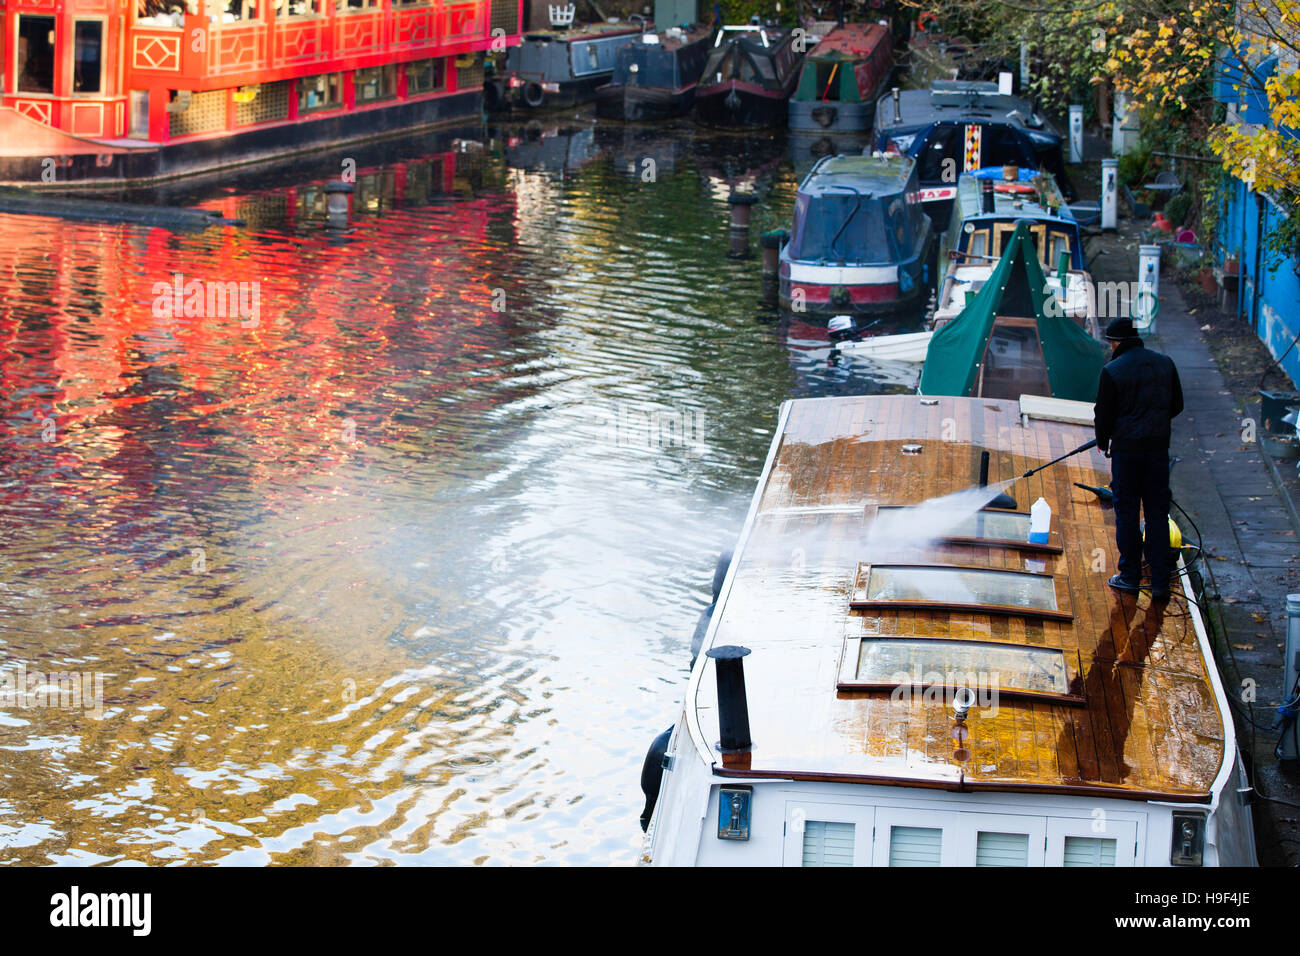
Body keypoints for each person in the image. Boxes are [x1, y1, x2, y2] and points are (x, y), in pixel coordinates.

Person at [1094, 317, 1184, 600]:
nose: (1109, 348)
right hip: (1157, 452)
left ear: (1116, 342)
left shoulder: (1112, 371)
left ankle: (1130, 577)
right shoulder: (1165, 363)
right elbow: (1177, 405)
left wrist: (1103, 441)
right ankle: (1159, 583)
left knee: (1128, 513)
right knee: (1157, 514)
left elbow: (1103, 414)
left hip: (1127, 453)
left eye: (1110, 343)